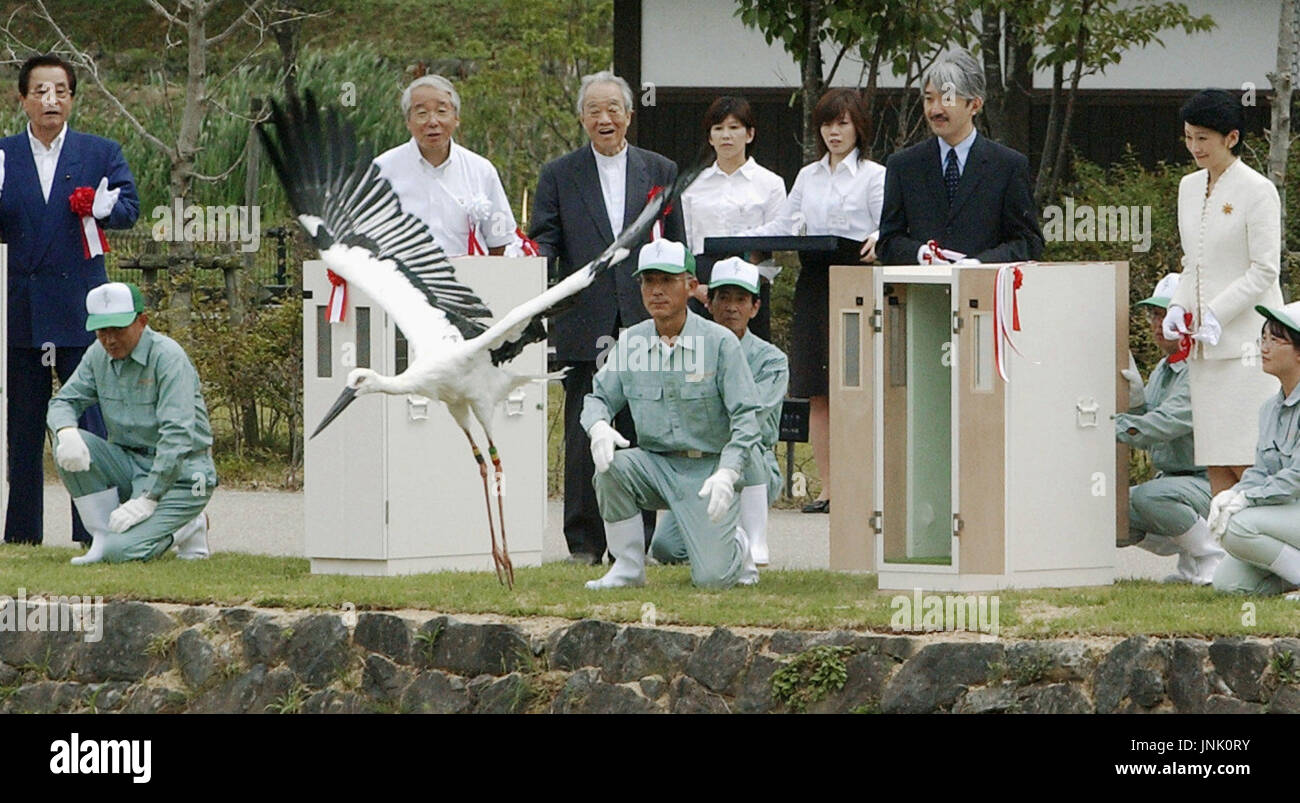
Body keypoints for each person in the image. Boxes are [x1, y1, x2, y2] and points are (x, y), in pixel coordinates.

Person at [530, 70, 685, 564]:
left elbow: (676, 244)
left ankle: (635, 542)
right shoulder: (558, 174)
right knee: (584, 432)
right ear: (581, 118)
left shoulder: (660, 170)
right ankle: (583, 542)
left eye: (613, 109)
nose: (605, 118)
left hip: (646, 316)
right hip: (584, 319)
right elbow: (545, 243)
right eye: (594, 110)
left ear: (629, 116)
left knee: (642, 429)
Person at [0, 54, 139, 546]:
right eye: (39, 91)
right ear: (23, 100)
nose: (49, 100)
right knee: (23, 428)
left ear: (73, 98)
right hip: (20, 310)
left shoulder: (99, 152)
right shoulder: (3, 155)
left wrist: (105, 208)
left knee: (87, 426)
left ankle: (95, 530)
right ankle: (21, 536)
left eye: (59, 90)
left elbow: (130, 209)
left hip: (82, 313)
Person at [581, 239, 761, 590]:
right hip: (655, 465)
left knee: (712, 580)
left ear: (691, 287)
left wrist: (728, 470)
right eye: (649, 281)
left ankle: (738, 545)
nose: (657, 291)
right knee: (611, 468)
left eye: (667, 280)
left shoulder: (720, 343)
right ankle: (628, 567)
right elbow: (598, 396)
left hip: (708, 470)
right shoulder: (631, 342)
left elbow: (746, 417)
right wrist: (599, 426)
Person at [742, 88, 882, 514]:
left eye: (842, 123)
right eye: (827, 123)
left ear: (858, 125)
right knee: (817, 389)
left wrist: (883, 239)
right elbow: (783, 225)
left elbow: (885, 226)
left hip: (858, 280)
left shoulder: (875, 175)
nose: (834, 132)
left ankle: (867, 487)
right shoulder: (808, 176)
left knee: (859, 386)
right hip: (814, 279)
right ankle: (829, 488)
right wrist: (738, 240)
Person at [1165, 88, 1284, 499]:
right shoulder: (1189, 187)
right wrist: (1179, 306)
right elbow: (1192, 261)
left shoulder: (1257, 189)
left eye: (1203, 138)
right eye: (1188, 137)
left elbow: (1265, 268)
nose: (1194, 147)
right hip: (1204, 352)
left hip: (1247, 350)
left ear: (1230, 138)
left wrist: (1216, 313)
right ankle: (1223, 561)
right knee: (1217, 468)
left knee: (1251, 466)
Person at [47, 283, 217, 565]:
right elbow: (62, 402)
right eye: (102, 331)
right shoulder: (97, 354)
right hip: (127, 463)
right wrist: (65, 431)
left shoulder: (168, 358)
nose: (110, 340)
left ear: (142, 321)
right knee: (70, 445)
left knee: (122, 553)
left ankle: (189, 525)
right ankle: (101, 537)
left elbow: (177, 437)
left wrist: (149, 498)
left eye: (118, 329)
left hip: (183, 476)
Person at [650, 257, 788, 579]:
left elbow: (750, 418)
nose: (731, 307)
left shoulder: (772, 360)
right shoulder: (689, 350)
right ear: (708, 303)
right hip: (702, 461)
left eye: (741, 299)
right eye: (724, 298)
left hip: (750, 465)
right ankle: (730, 543)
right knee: (666, 548)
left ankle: (750, 543)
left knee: (745, 435)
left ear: (754, 307)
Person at [877, 48, 1043, 266]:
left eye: (947, 99)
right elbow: (887, 242)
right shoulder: (904, 165)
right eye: (928, 99)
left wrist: (979, 263)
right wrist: (921, 254)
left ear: (974, 104)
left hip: (984, 291)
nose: (935, 110)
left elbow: (1028, 242)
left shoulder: (1007, 165)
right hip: (923, 291)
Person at [1115, 274, 1220, 584]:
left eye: (1164, 314)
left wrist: (1112, 426)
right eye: (1154, 314)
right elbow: (1151, 425)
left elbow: (1165, 424)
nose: (1156, 323)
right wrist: (1135, 405)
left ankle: (1212, 557)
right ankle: (1189, 559)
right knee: (1113, 509)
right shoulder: (1165, 366)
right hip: (1174, 481)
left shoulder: (1199, 366)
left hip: (1205, 481)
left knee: (1150, 498)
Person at [1209, 301, 1300, 596]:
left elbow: (1295, 477)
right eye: (1263, 338)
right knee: (1229, 584)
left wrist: (1248, 499)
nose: (1264, 347)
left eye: (1276, 340)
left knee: (1239, 527)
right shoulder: (1269, 409)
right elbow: (1261, 469)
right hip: (1285, 513)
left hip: (1292, 509)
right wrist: (1233, 494)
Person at [373, 75, 517, 257]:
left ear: (456, 118)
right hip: (400, 278)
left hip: (468, 279)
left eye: (441, 111)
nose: (432, 122)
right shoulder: (381, 170)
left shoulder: (481, 170)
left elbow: (500, 240)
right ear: (408, 122)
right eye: (422, 113)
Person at [679, 96, 787, 340]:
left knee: (750, 358)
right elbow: (682, 240)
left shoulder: (770, 184)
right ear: (710, 138)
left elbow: (779, 235)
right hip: (702, 279)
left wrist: (749, 287)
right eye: (718, 129)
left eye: (734, 127)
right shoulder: (692, 184)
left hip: (751, 279)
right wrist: (695, 289)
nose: (726, 135)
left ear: (749, 134)